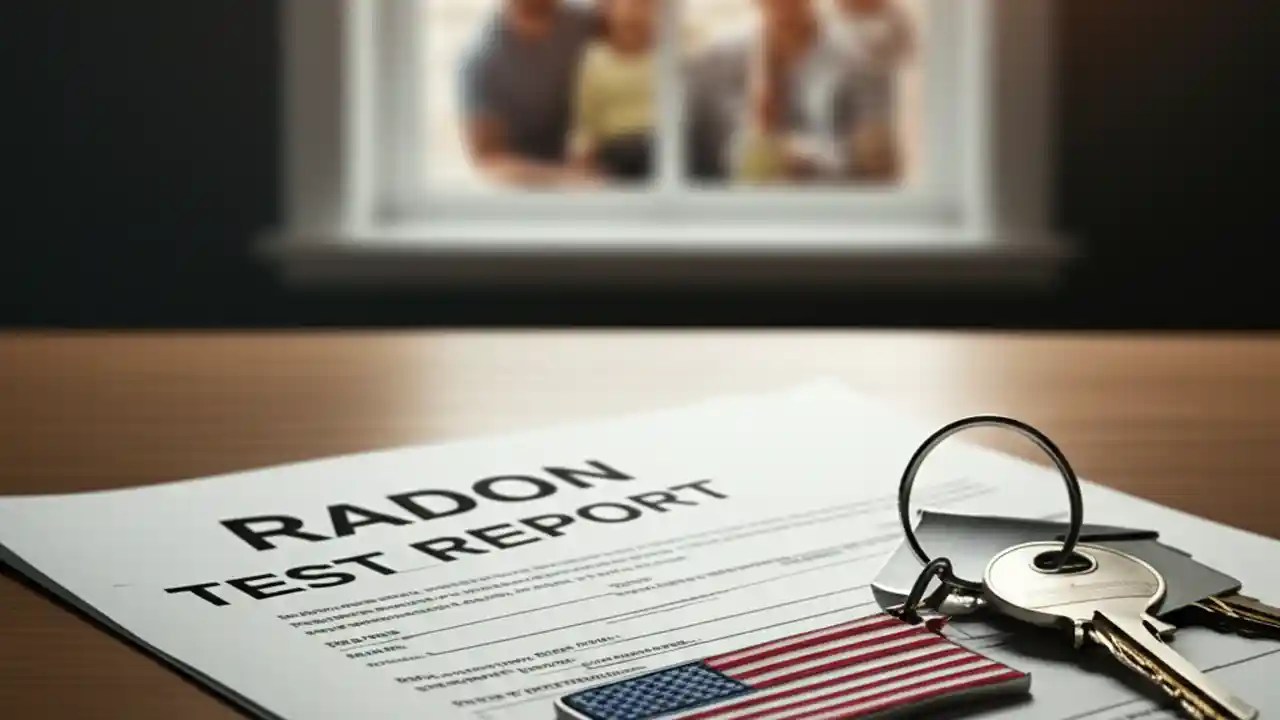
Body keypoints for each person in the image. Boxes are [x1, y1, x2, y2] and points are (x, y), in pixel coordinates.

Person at [684, 0, 899, 185]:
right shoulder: (712, 63)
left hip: (828, 219)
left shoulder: (861, 60)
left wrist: (808, 163)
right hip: (734, 221)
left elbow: (878, 168)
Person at [458, 0, 598, 187]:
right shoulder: (481, 61)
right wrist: (569, 178)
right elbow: (489, 160)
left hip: (605, 169)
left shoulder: (587, 23)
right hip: (525, 190)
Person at [569, 0, 657, 182]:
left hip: (659, 149)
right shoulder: (595, 60)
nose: (633, 14)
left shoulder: (667, 56)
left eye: (643, 5)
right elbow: (586, 124)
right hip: (615, 154)